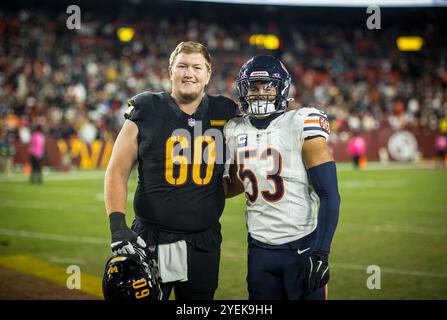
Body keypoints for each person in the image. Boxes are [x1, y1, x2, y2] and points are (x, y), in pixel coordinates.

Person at [104, 41, 238, 300]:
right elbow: (117, 170)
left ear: (208, 74)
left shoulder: (225, 112)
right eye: (183, 66)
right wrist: (117, 226)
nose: (190, 73)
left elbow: (235, 178)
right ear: (170, 71)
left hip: (203, 241)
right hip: (154, 239)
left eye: (197, 67)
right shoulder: (147, 108)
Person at [224, 55, 340, 300]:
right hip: (259, 250)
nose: (259, 93)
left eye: (268, 86)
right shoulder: (235, 130)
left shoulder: (301, 121)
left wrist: (321, 253)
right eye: (253, 87)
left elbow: (329, 194)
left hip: (302, 246)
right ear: (243, 90)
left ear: (282, 89)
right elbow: (234, 184)